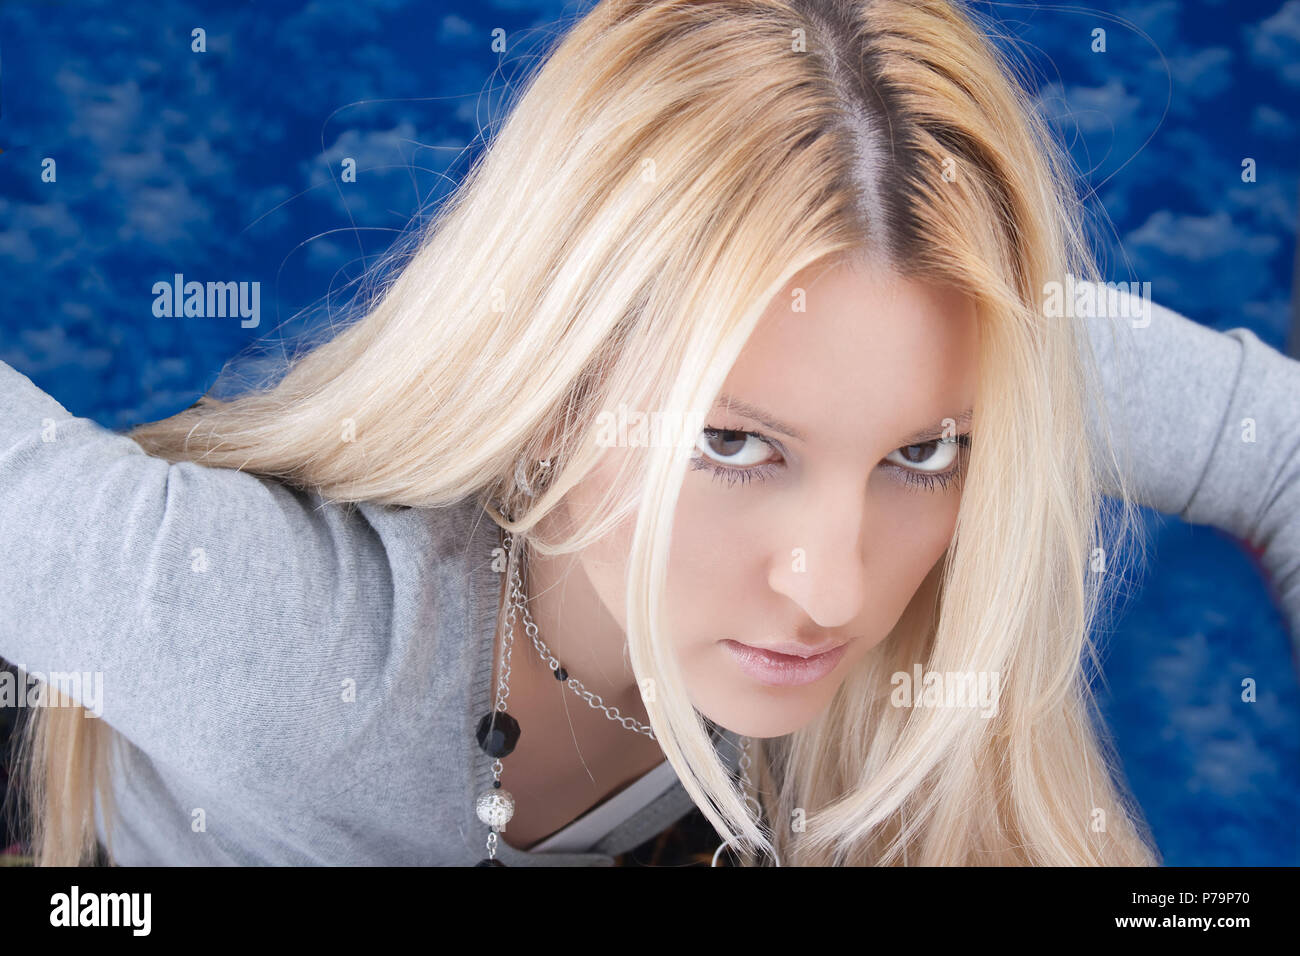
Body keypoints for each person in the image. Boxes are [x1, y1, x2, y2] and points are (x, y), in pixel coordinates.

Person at [2, 0, 1296, 866]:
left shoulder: (953, 336)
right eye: (734, 445)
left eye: (920, 455)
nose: (833, 591)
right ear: (551, 387)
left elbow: (1278, 444)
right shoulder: (270, 636)